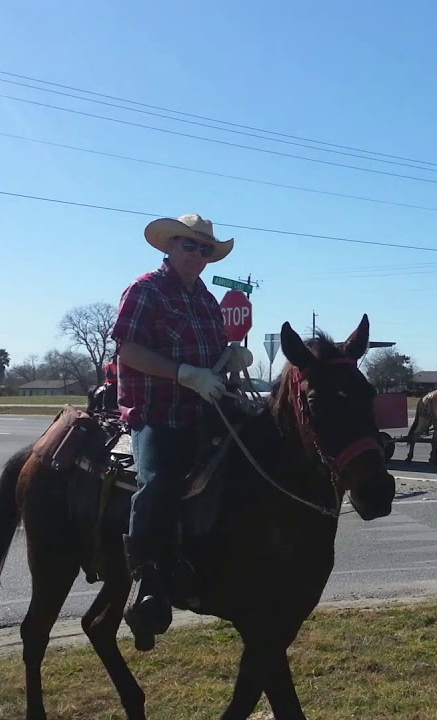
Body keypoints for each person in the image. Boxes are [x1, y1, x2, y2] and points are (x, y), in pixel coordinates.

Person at [111, 213, 253, 649]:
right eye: (189, 245)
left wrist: (227, 358)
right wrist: (185, 374)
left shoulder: (207, 300)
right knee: (156, 483)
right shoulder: (145, 290)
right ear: (169, 247)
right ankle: (148, 583)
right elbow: (129, 350)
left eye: (204, 248)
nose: (197, 254)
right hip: (156, 413)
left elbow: (211, 355)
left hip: (206, 411)